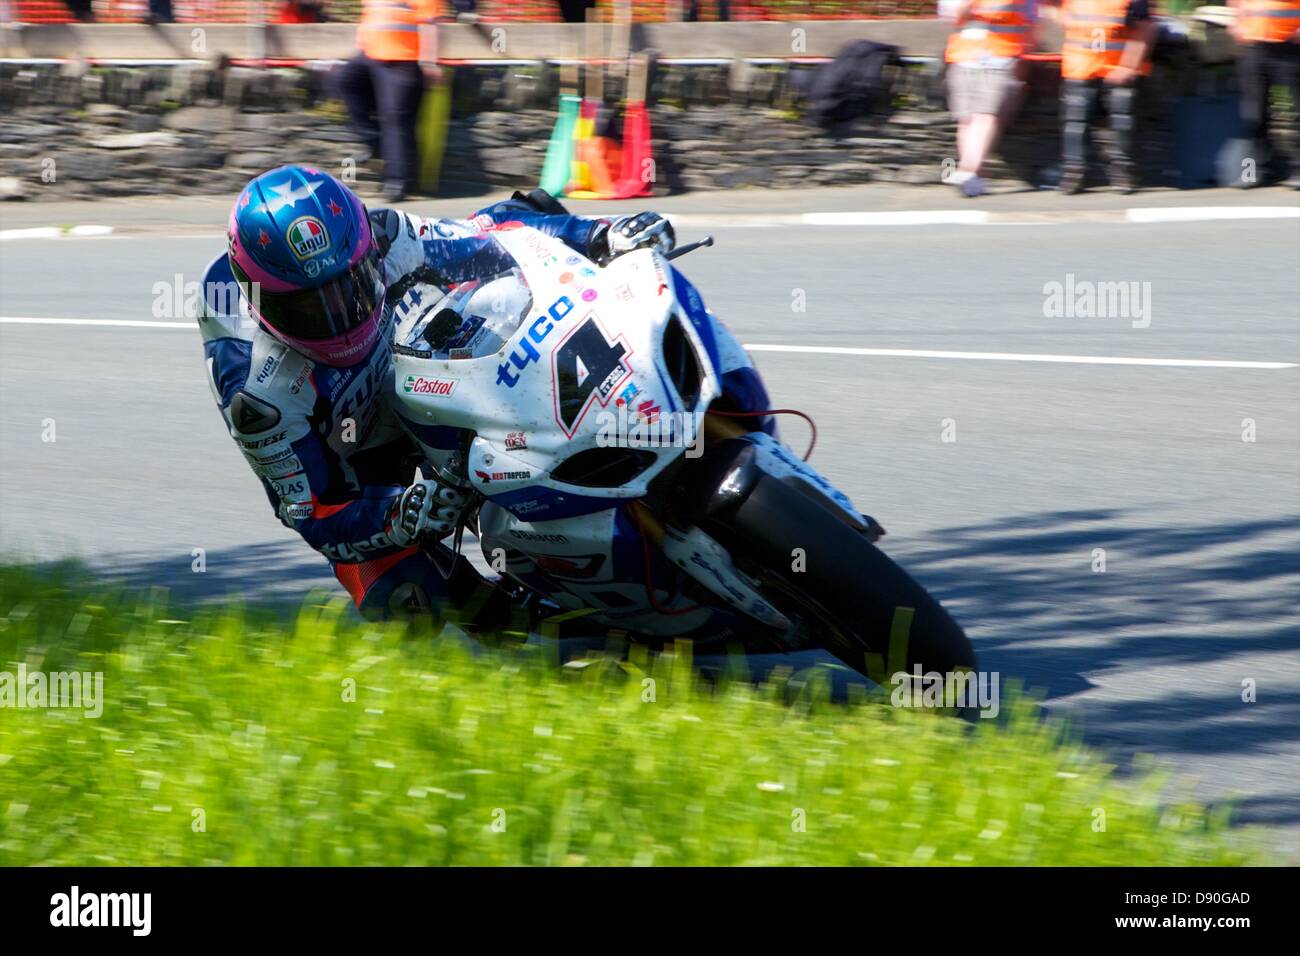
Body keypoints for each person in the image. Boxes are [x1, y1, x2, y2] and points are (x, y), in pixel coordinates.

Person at [200, 165, 675, 621]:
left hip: (426, 372)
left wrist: (601, 235)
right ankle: (532, 632)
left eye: (352, 287)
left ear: (367, 251)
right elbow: (311, 512)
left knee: (530, 206)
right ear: (262, 305)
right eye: (309, 310)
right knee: (404, 599)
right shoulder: (257, 391)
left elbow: (493, 236)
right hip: (357, 459)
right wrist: (398, 516)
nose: (340, 317)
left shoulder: (388, 235)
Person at [334, 0, 439, 202]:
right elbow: (369, 18)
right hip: (371, 57)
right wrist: (360, 47)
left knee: (395, 118)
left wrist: (429, 62)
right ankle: (377, 143)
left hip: (404, 59)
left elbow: (430, 24)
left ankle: (397, 181)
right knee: (346, 81)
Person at [1056, 0, 1157, 193]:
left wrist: (1128, 65)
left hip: (1117, 66)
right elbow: (1053, 8)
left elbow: (1145, 28)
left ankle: (1123, 171)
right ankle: (1074, 171)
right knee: (1075, 120)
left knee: (1122, 120)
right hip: (1080, 65)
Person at [942, 0, 1041, 197]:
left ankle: (967, 169)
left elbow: (1033, 22)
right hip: (964, 58)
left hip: (1000, 58)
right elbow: (950, 16)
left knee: (985, 115)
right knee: (966, 120)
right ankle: (973, 179)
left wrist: (1025, 55)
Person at [1228, 0, 1300, 187]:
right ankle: (1251, 173)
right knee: (1251, 117)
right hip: (1253, 47)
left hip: (1290, 45)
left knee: (1297, 111)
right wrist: (1236, 22)